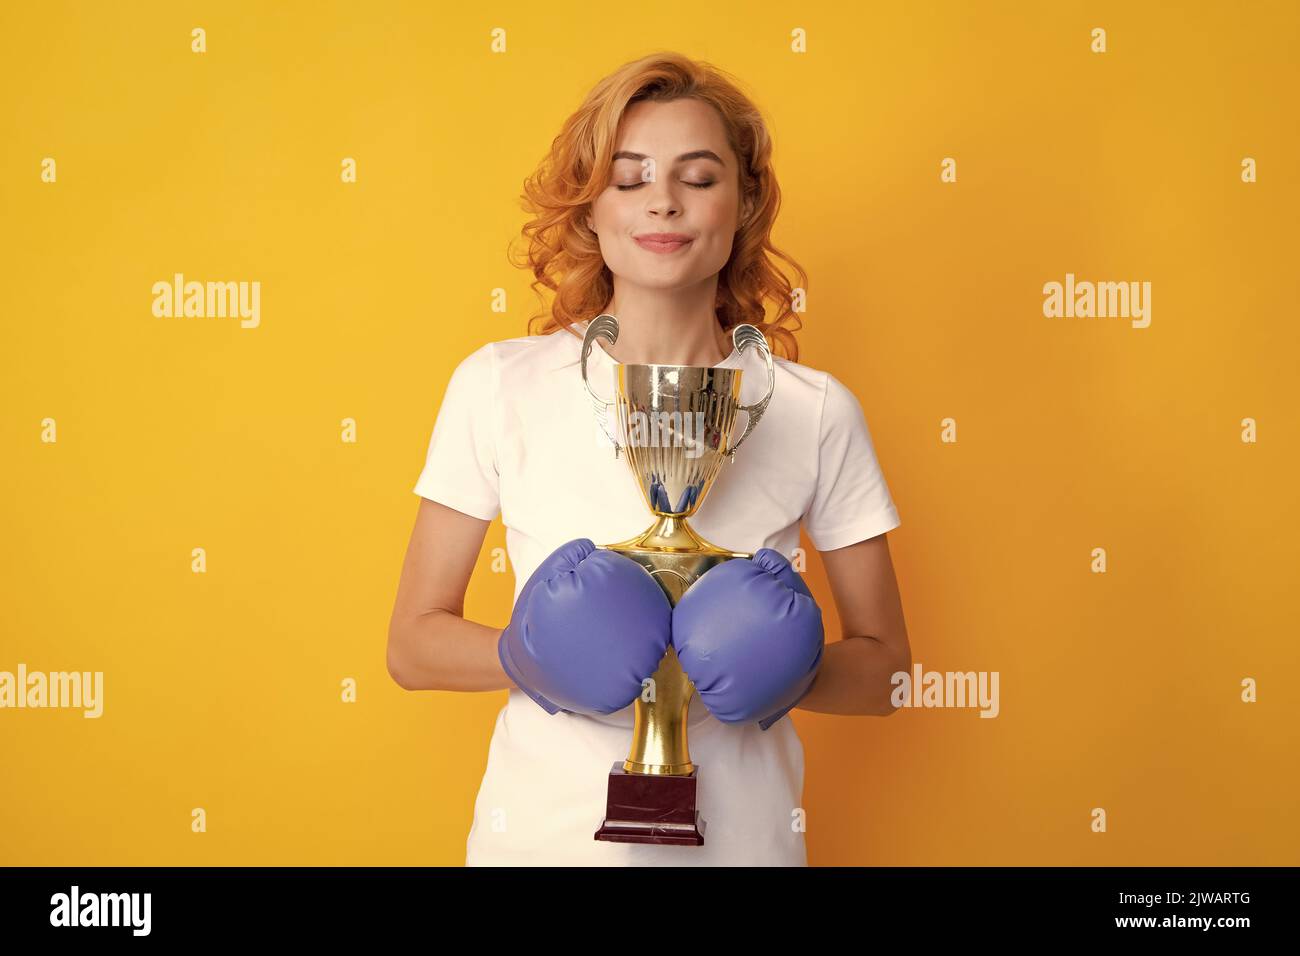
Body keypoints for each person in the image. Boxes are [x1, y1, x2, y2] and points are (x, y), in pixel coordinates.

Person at [387, 51, 910, 866]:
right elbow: (411, 646)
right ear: (590, 209)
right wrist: (527, 655)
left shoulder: (813, 411)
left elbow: (888, 677)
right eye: (629, 179)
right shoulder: (499, 387)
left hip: (746, 849)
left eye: (698, 178)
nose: (662, 200)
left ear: (745, 203)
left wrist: (781, 667)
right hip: (537, 846)